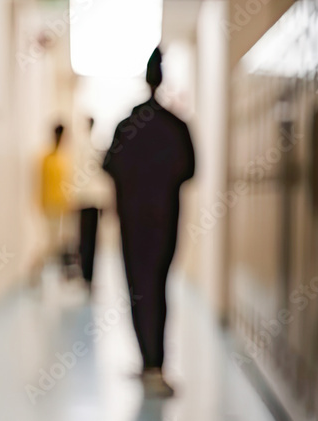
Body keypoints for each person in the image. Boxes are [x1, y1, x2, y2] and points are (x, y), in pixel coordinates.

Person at [103, 46, 195, 398]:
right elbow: (189, 170)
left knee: (138, 289)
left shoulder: (128, 124)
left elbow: (108, 166)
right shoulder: (176, 126)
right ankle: (155, 365)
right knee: (159, 286)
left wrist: (134, 186)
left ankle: (148, 362)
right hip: (165, 221)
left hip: (132, 222)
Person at [72, 117, 112, 294]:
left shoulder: (83, 148)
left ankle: (87, 276)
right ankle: (87, 276)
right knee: (90, 239)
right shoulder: (90, 148)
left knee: (85, 238)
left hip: (86, 200)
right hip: (91, 200)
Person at [31, 123, 73, 286]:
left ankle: (49, 271)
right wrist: (40, 204)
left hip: (60, 206)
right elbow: (40, 183)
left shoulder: (62, 158)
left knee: (56, 242)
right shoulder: (46, 159)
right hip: (49, 206)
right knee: (49, 242)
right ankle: (35, 267)